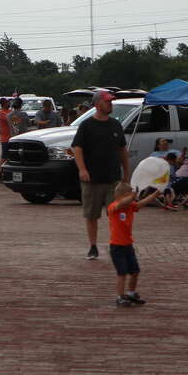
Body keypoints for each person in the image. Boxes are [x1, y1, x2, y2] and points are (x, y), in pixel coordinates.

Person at [71, 90, 129, 260]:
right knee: (91, 214)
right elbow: (78, 149)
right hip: (92, 179)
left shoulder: (115, 125)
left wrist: (126, 173)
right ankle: (93, 246)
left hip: (113, 179)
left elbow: (122, 150)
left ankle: (115, 243)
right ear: (97, 104)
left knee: (116, 213)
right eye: (107, 102)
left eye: (111, 102)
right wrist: (82, 169)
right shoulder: (87, 125)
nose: (110, 104)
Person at [108, 181, 160, 307]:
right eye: (129, 195)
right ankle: (120, 296)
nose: (132, 198)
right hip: (117, 246)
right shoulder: (113, 206)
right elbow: (120, 204)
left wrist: (154, 195)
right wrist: (132, 196)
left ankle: (131, 293)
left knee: (135, 271)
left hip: (128, 245)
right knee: (122, 273)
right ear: (120, 195)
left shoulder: (131, 206)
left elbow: (141, 203)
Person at [0, 98, 12, 166]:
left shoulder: (10, 111)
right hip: (5, 139)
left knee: (10, 157)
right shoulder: (1, 113)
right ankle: (1, 172)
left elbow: (16, 121)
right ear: (4, 104)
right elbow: (11, 120)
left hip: (11, 137)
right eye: (7, 103)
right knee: (4, 157)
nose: (9, 104)